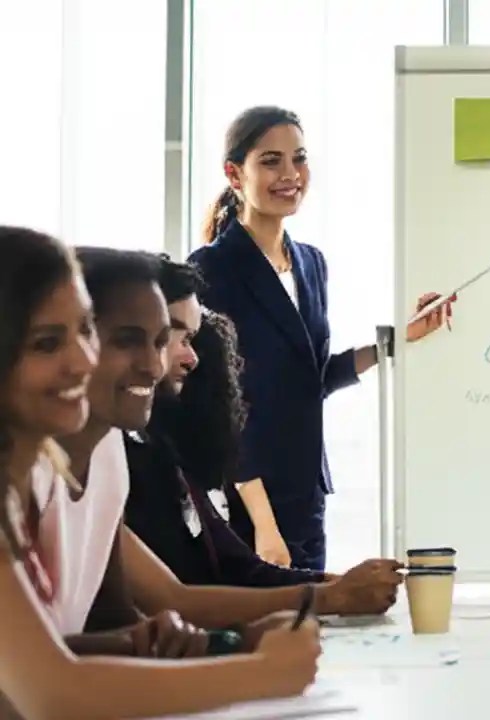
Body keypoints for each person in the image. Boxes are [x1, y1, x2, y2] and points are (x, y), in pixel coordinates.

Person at [0, 226, 319, 720]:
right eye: (46, 343)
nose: (82, 360)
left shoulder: (38, 476)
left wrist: (221, 643)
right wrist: (261, 672)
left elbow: (44, 655)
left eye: (85, 331)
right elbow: (51, 692)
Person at [67, 247, 395, 634]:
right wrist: (327, 597)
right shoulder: (83, 461)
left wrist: (337, 590)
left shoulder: (118, 454)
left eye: (162, 340)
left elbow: (140, 623)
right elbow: (166, 609)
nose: (157, 364)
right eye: (128, 340)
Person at [190, 105, 455, 570]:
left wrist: (398, 338)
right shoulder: (213, 268)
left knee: (315, 634)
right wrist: (264, 527)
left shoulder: (311, 263)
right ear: (235, 173)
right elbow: (222, 405)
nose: (290, 174)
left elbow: (314, 377)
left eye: (299, 158)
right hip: (250, 505)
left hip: (306, 496)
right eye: (271, 161)